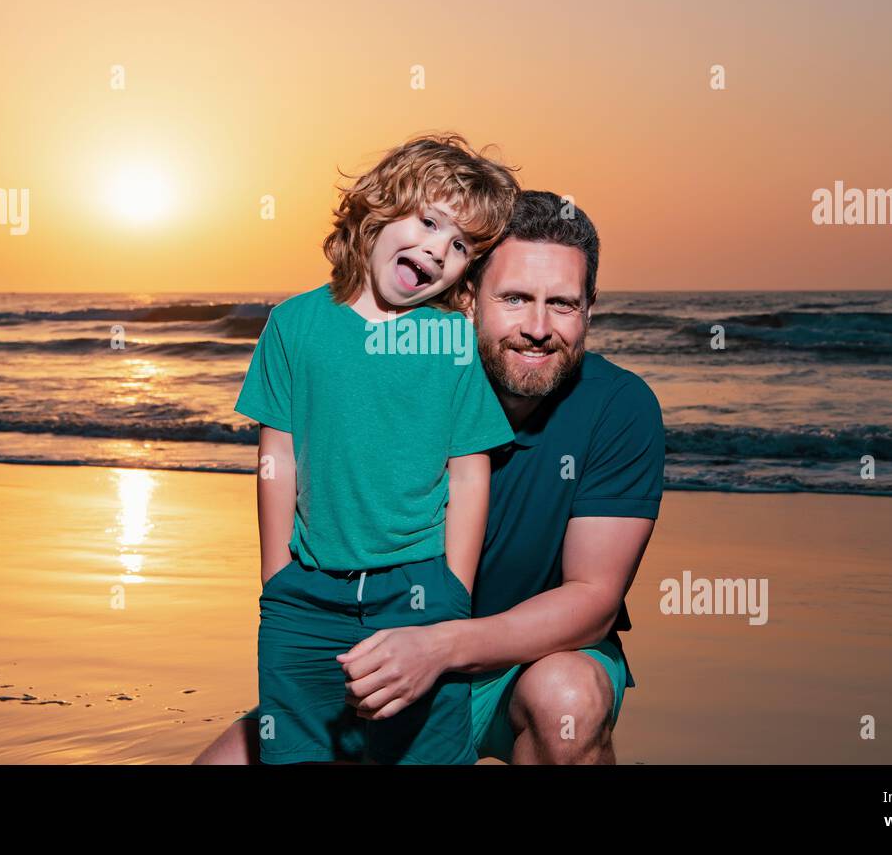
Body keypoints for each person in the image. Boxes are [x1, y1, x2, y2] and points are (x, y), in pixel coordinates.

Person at [197, 189, 665, 764]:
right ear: (467, 297)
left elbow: (593, 601)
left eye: (563, 304)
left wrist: (439, 646)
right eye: (515, 298)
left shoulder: (619, 406)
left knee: (567, 697)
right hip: (380, 657)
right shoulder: (402, 372)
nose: (539, 327)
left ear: (590, 308)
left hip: (520, 669)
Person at [234, 133, 520, 764]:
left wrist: (453, 592)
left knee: (425, 756)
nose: (437, 250)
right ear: (378, 206)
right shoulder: (294, 324)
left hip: (420, 591)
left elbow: (470, 472)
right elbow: (275, 458)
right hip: (304, 593)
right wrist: (275, 577)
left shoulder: (450, 339)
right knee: (299, 751)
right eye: (428, 221)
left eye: (460, 246)